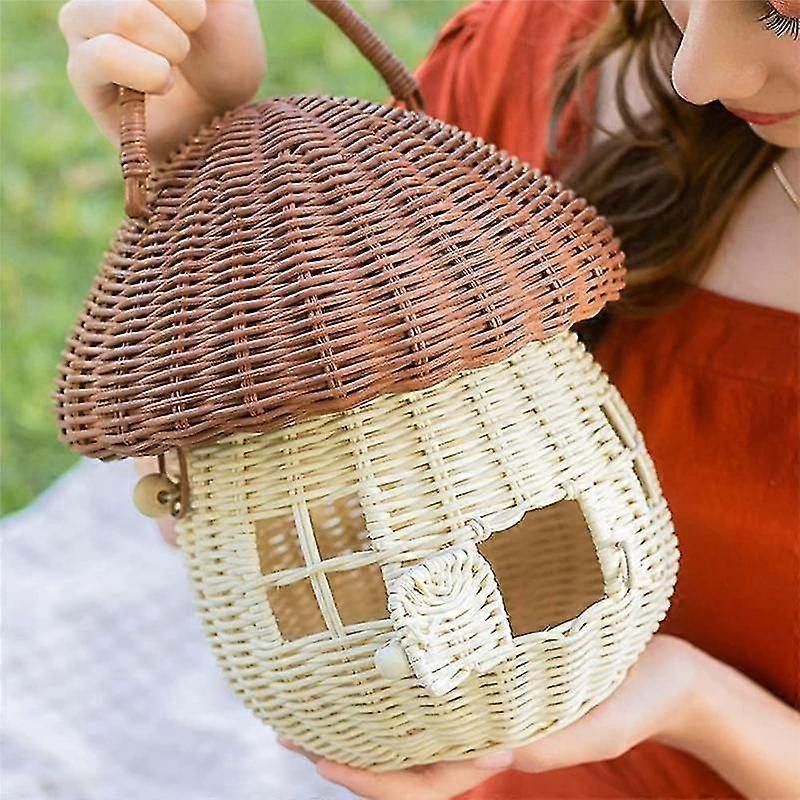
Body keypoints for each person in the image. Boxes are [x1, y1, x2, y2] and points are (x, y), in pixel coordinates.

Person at [58, 0, 799, 798]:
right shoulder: (532, 58)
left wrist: (703, 706)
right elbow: (277, 471)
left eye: (787, 17)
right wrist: (202, 163)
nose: (698, 74)